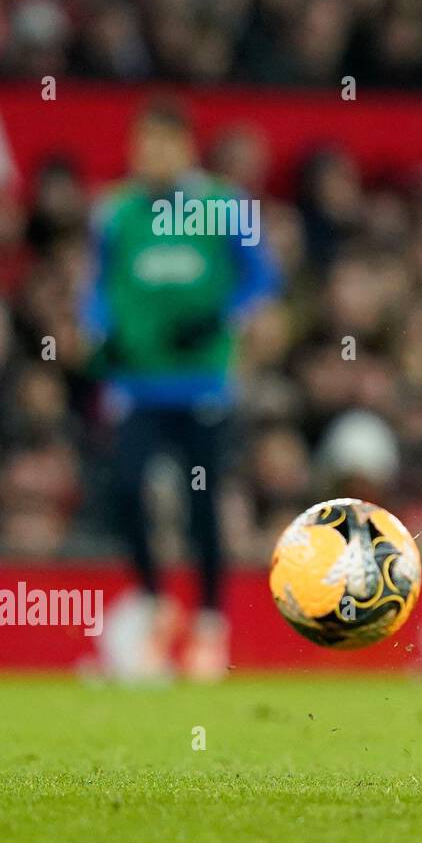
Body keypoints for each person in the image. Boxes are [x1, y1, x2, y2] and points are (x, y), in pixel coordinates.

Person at [83, 99, 279, 681]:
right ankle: (153, 602)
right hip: (136, 383)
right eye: (142, 144)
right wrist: (101, 333)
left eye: (163, 143)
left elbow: (263, 276)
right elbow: (97, 285)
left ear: (186, 147)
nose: (151, 155)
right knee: (124, 490)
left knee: (202, 506)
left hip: (202, 381)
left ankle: (211, 625)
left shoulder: (224, 205)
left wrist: (221, 318)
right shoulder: (114, 212)